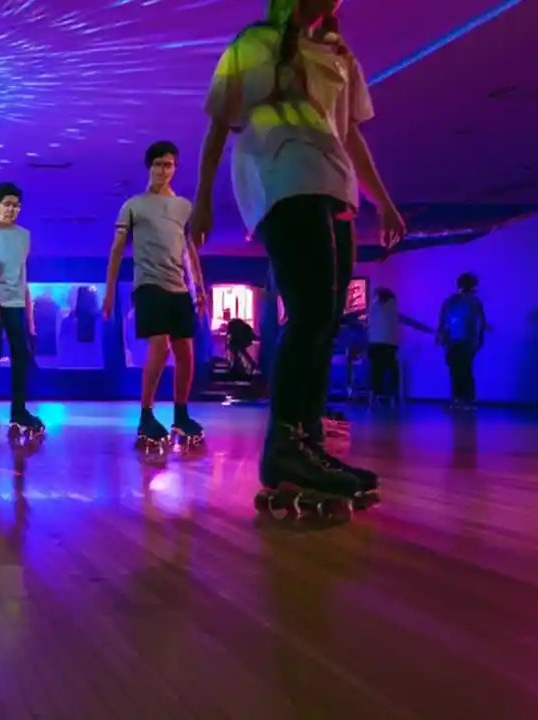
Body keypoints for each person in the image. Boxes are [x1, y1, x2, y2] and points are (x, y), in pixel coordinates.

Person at [192, 0, 406, 502]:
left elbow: (349, 134)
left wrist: (385, 202)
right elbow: (219, 125)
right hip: (280, 177)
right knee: (310, 311)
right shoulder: (253, 44)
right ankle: (285, 443)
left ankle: (306, 441)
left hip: (337, 186)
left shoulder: (339, 55)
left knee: (327, 319)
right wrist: (202, 200)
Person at [102, 141, 207, 447]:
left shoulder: (184, 207)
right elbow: (117, 251)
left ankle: (181, 413)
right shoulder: (134, 205)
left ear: (175, 168)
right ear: (149, 167)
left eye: (169, 164)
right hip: (148, 285)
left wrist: (198, 287)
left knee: (186, 352)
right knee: (159, 347)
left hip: (178, 288)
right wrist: (109, 291)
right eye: (159, 164)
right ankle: (146, 413)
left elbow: (190, 251)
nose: (164, 170)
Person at [0, 182, 43, 436]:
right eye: (7, 204)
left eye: (16, 205)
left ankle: (19, 411)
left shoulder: (24, 235)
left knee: (21, 355)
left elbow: (23, 273)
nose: (11, 209)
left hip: (16, 300)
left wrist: (29, 313)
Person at [438, 272, 485, 409]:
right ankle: (464, 399)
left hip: (458, 341)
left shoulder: (453, 301)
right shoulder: (472, 301)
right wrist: (478, 339)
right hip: (463, 341)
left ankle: (460, 399)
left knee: (459, 371)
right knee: (463, 370)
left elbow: (444, 321)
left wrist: (442, 336)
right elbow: (479, 322)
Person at [367, 287, 401, 403]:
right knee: (393, 371)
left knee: (376, 371)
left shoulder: (372, 308)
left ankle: (374, 395)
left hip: (374, 344)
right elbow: (406, 320)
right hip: (389, 344)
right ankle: (393, 396)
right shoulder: (392, 308)